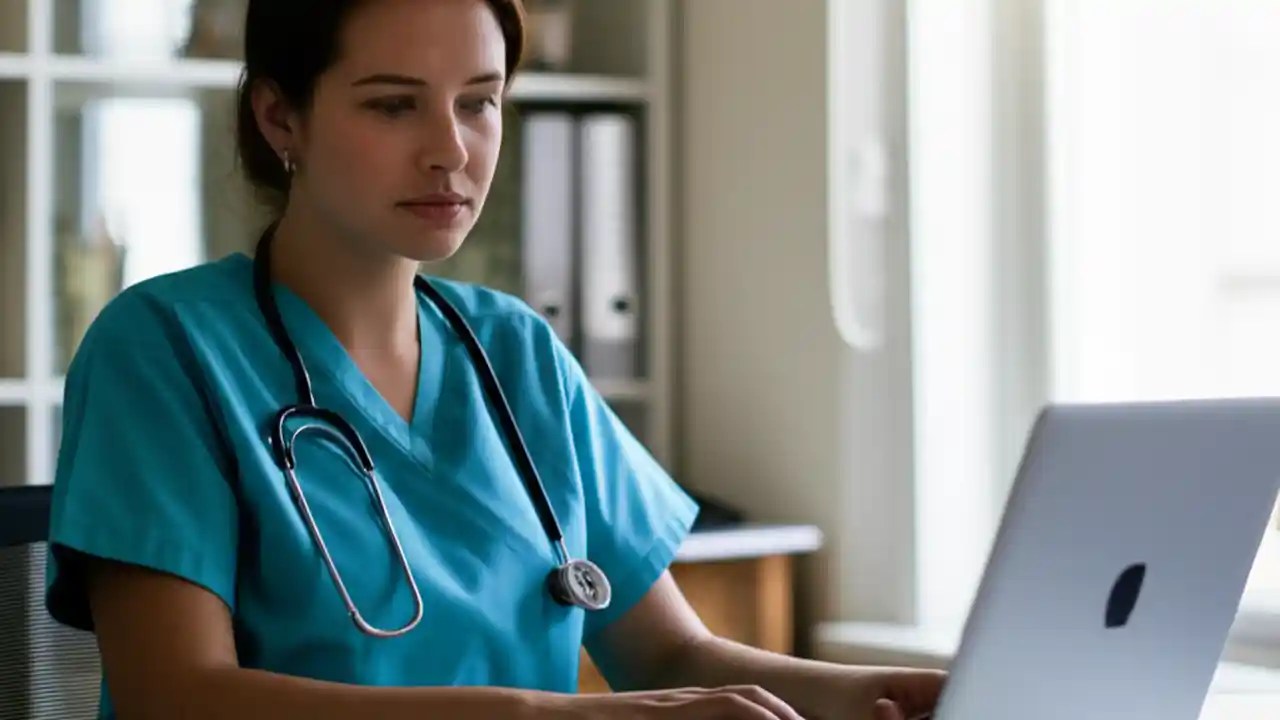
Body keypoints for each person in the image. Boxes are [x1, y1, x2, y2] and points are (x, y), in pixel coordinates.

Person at [44, 1, 947, 718]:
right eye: (394, 104)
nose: (451, 151)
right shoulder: (163, 347)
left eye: (478, 101)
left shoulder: (514, 350)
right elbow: (180, 698)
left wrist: (870, 690)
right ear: (281, 114)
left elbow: (671, 655)